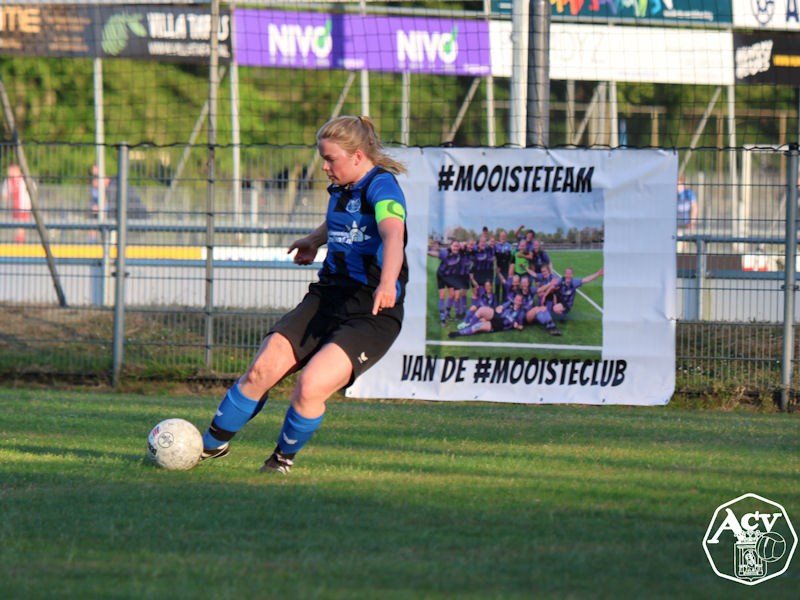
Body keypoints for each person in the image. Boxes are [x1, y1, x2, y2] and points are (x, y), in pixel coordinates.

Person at [199, 115, 408, 474]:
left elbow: (393, 234)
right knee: (262, 368)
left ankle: (280, 461)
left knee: (310, 386)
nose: (324, 167)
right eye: (322, 158)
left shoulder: (383, 187)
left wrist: (388, 282)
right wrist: (315, 239)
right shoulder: (344, 187)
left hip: (371, 311)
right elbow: (347, 221)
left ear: (358, 156)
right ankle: (208, 448)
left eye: (330, 159)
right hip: (326, 297)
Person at [448, 293, 526, 338]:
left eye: (519, 300)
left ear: (521, 302)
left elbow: (521, 326)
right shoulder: (510, 303)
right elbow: (500, 308)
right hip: (496, 315)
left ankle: (457, 333)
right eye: (516, 299)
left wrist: (517, 326)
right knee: (481, 310)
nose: (516, 301)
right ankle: (469, 325)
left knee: (477, 326)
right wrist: (500, 308)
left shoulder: (521, 313)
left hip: (498, 325)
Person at [1, 163, 32, 243]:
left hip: (23, 207)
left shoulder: (24, 180)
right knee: (18, 227)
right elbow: (4, 195)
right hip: (14, 207)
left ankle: (20, 243)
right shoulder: (9, 181)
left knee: (20, 227)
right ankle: (18, 242)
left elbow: (32, 191)